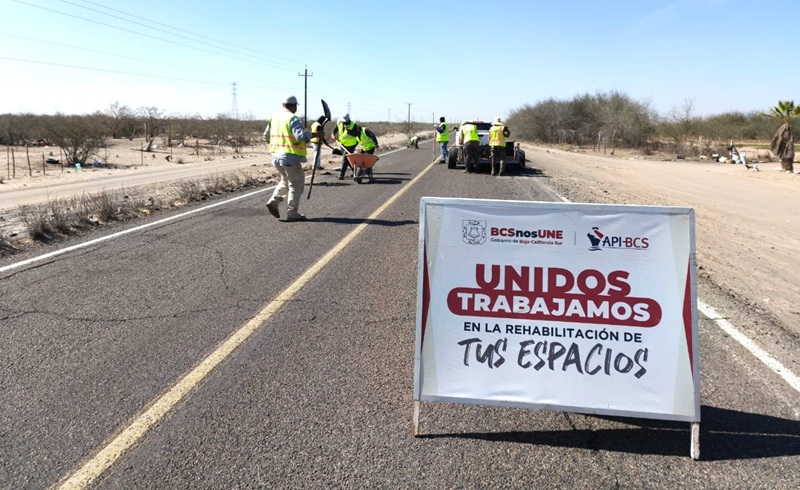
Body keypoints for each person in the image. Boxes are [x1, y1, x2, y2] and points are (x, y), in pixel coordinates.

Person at [263, 95, 323, 222]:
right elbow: (300, 136)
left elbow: (266, 137)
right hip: (289, 157)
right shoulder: (292, 118)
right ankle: (292, 213)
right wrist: (315, 135)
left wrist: (279, 144)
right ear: (294, 106)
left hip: (276, 156)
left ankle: (273, 201)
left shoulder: (274, 117)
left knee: (285, 180)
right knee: (296, 184)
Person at [332, 113, 360, 180]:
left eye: (345, 121)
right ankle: (354, 171)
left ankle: (341, 174)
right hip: (342, 144)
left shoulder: (353, 124)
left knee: (345, 158)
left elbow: (356, 134)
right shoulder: (339, 122)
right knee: (347, 159)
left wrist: (348, 131)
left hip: (351, 144)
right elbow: (335, 129)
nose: (344, 122)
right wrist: (333, 134)